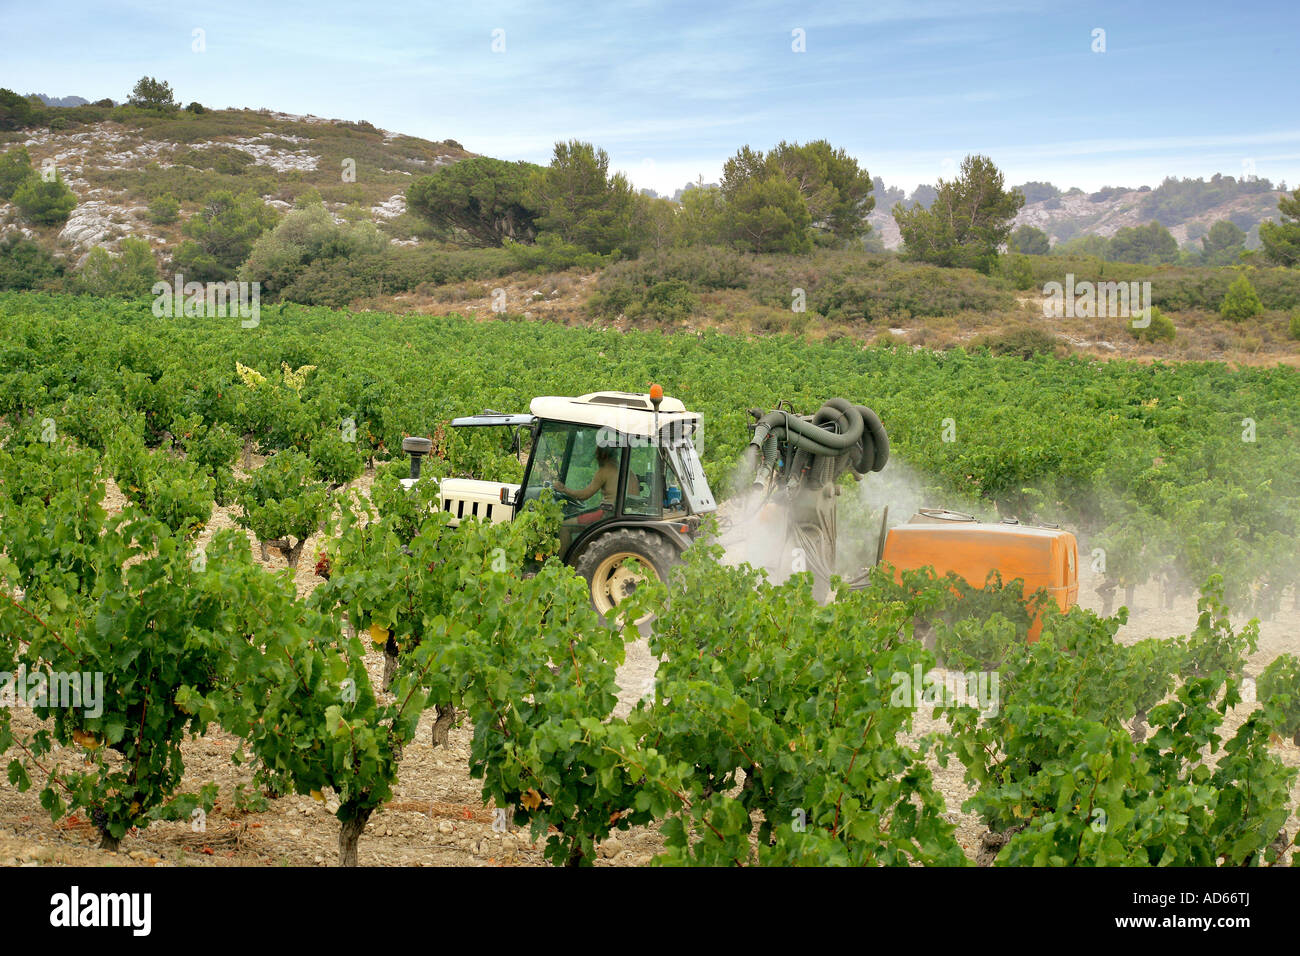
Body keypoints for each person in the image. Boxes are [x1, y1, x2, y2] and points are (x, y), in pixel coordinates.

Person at [555, 444, 637, 507]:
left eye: (597, 454)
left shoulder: (604, 471)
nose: (596, 457)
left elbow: (584, 495)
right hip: (627, 514)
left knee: (567, 524)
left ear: (602, 455)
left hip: (610, 513)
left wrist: (564, 489)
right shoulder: (629, 471)